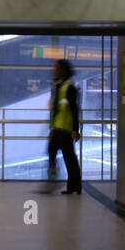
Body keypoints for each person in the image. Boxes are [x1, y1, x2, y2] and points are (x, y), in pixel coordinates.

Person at [48, 58, 82, 195]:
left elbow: (74, 109)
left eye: (57, 68)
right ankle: (73, 185)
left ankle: (65, 183)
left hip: (65, 129)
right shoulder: (60, 86)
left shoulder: (69, 87)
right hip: (58, 128)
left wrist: (75, 129)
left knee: (67, 157)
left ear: (63, 71)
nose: (54, 70)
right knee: (66, 156)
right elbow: (56, 109)